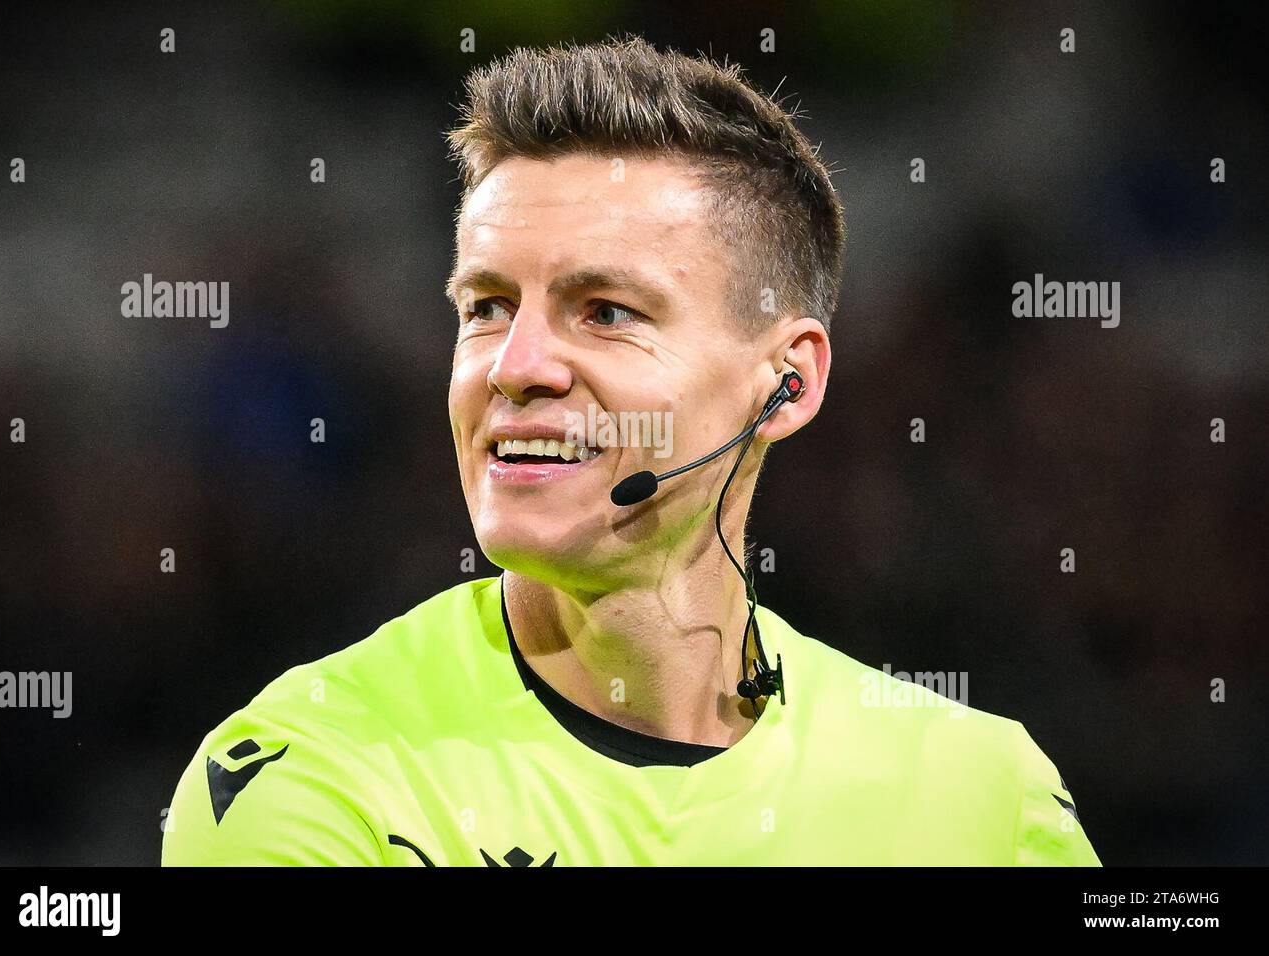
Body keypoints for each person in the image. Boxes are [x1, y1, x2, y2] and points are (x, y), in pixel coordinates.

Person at [163, 36, 1100, 866]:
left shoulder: (979, 797)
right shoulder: (312, 777)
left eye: (605, 312)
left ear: (789, 384)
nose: (516, 366)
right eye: (486, 308)